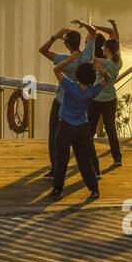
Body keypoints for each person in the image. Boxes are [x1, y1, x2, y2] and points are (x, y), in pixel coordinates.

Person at [38, 22, 99, 179]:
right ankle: (93, 170)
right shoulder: (86, 56)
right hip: (81, 100)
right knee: (84, 138)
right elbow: (94, 32)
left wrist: (55, 36)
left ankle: (55, 169)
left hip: (61, 101)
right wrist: (84, 23)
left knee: (55, 135)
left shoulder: (63, 59)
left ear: (66, 43)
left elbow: (42, 50)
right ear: (79, 42)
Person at [49, 52, 110, 200]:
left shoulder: (70, 86)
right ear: (92, 78)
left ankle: (58, 190)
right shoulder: (92, 91)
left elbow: (56, 70)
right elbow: (107, 79)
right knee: (84, 160)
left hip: (65, 127)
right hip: (82, 127)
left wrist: (69, 60)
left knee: (61, 158)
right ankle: (94, 189)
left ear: (77, 75)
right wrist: (102, 71)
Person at [90, 21, 124, 168]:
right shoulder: (118, 60)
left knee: (90, 130)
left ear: (108, 50)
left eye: (104, 47)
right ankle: (117, 157)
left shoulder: (104, 63)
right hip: (110, 99)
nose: (102, 48)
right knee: (111, 130)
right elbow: (115, 38)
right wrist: (113, 27)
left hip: (97, 99)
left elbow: (88, 55)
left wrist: (92, 32)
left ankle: (89, 157)